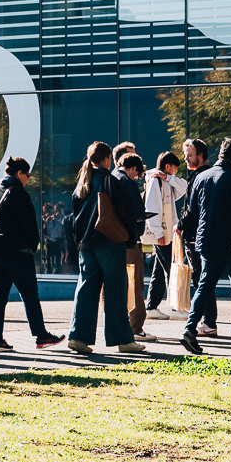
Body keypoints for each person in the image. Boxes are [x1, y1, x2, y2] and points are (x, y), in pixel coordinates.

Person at [67, 141, 146, 354]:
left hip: (86, 243)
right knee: (115, 291)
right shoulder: (110, 181)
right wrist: (130, 239)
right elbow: (126, 212)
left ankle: (78, 337)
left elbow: (74, 216)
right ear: (106, 159)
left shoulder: (83, 182)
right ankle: (122, 339)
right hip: (109, 242)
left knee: (86, 288)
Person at [180, 137, 231, 354]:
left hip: (207, 239)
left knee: (204, 285)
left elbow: (193, 211)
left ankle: (189, 330)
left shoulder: (201, 177)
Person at [0, 155, 65, 352]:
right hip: (17, 252)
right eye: (27, 175)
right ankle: (41, 336)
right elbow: (29, 226)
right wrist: (32, 247)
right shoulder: (19, 193)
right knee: (29, 295)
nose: (28, 179)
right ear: (19, 173)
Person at [180, 137, 218, 337]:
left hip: (196, 236)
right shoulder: (208, 176)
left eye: (190, 155)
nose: (186, 159)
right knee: (204, 280)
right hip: (201, 234)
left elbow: (192, 210)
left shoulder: (198, 178)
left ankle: (209, 322)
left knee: (203, 281)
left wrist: (180, 225)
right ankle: (208, 320)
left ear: (200, 156)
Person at [142, 151, 185, 315]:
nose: (176, 172)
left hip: (167, 232)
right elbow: (152, 208)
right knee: (171, 268)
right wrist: (158, 232)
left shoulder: (166, 181)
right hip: (162, 233)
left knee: (160, 269)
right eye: (175, 168)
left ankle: (152, 306)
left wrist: (169, 178)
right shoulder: (155, 182)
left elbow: (185, 187)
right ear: (168, 166)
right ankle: (176, 307)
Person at [115, 152, 153, 339]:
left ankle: (117, 325)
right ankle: (135, 327)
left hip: (112, 241)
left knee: (117, 285)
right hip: (130, 241)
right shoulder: (127, 182)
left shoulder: (111, 177)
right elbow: (139, 212)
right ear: (134, 169)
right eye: (136, 175)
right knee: (136, 284)